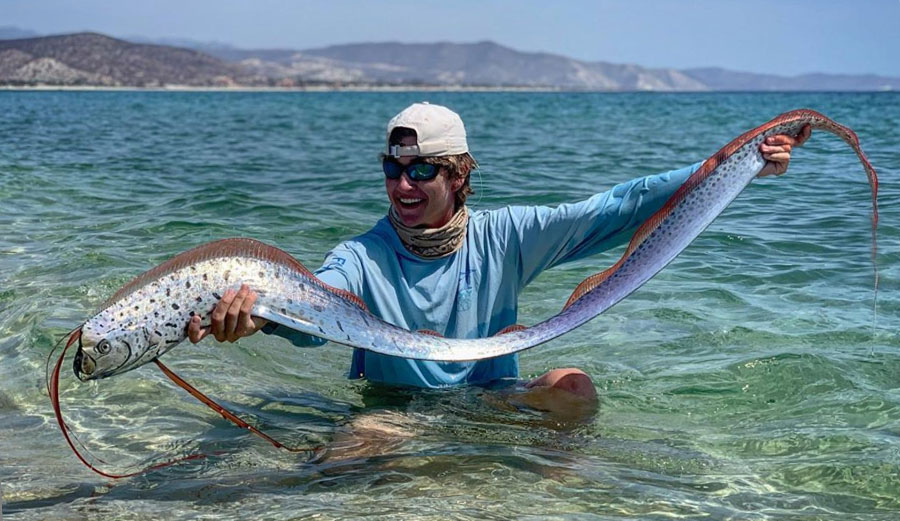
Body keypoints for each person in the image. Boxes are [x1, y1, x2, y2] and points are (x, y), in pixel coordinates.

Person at [188, 102, 810, 411]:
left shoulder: (507, 234)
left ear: (458, 174)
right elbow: (320, 308)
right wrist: (261, 315)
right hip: (399, 412)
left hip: (492, 402)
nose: (403, 186)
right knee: (373, 445)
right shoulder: (362, 255)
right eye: (392, 169)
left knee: (575, 391)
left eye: (421, 170)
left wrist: (735, 165)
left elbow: (616, 208)